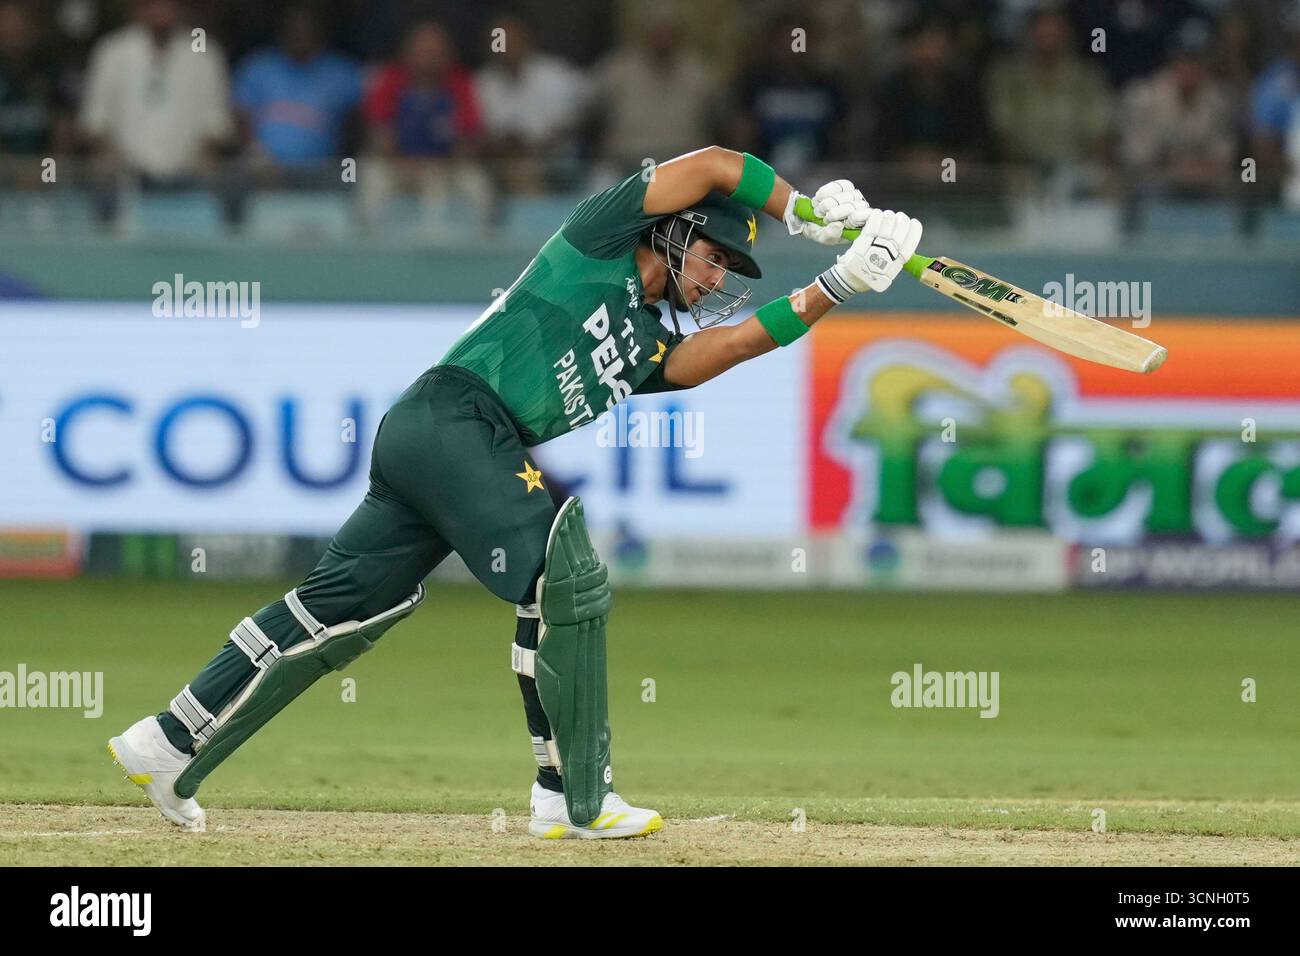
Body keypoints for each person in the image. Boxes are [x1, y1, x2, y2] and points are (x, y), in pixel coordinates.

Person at [107, 146, 923, 839]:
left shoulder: (646, 342)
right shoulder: (600, 237)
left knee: (345, 607)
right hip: (457, 415)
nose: (717, 282)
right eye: (713, 259)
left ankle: (168, 743)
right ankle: (576, 797)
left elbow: (737, 346)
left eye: (729, 271)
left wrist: (837, 286)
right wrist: (804, 209)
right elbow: (713, 164)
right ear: (673, 235)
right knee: (566, 576)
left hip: (440, 440)